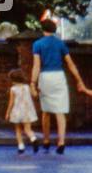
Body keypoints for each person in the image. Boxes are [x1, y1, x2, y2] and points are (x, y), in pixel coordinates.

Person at [31, 17, 92, 153]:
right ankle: (61, 142)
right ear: (54, 30)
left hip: (45, 77)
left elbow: (36, 65)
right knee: (60, 112)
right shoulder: (60, 44)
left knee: (46, 112)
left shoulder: (37, 44)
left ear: (43, 30)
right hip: (59, 76)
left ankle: (46, 140)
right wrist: (79, 81)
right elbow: (70, 64)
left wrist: (33, 83)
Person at [7, 67, 39, 153]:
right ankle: (33, 138)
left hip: (17, 111)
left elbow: (11, 102)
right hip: (27, 111)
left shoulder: (13, 89)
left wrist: (8, 113)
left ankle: (21, 146)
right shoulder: (27, 87)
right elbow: (33, 96)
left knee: (18, 129)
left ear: (12, 79)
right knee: (27, 129)